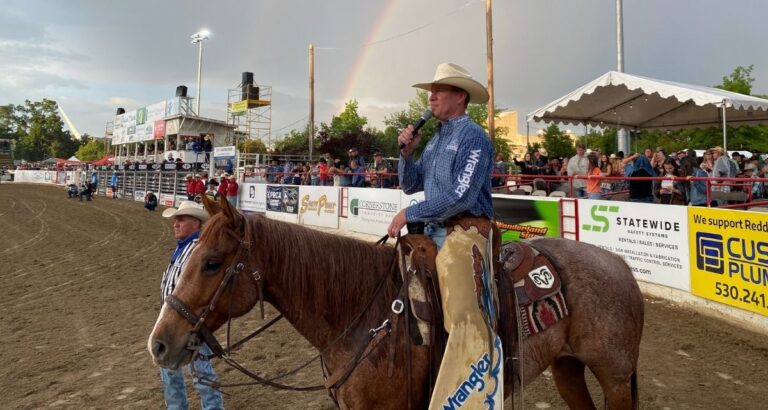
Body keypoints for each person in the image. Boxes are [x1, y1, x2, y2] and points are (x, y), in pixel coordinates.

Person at [387, 62, 497, 409]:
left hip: (467, 229)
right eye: (430, 91)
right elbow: (410, 185)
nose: (431, 97)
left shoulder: (474, 138)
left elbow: (461, 197)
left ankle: (475, 379)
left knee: (461, 309)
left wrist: (410, 214)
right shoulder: (435, 139)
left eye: (439, 90)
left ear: (460, 96)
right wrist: (406, 155)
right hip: (434, 229)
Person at [159, 201, 224, 410]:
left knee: (200, 372)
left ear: (196, 224)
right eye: (175, 220)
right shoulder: (183, 248)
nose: (175, 224)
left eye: (181, 220)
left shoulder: (197, 250)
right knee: (173, 369)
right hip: (175, 320)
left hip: (189, 322)